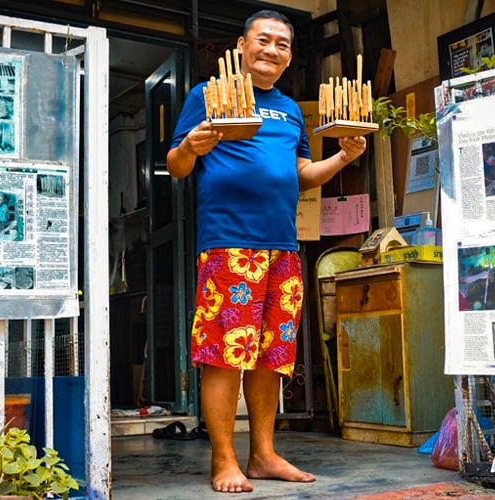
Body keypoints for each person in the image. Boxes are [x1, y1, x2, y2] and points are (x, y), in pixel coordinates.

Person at [166, 9, 366, 494]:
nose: (271, 50)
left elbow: (302, 173)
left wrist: (343, 157)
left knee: (272, 355)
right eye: (263, 40)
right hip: (229, 244)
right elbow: (176, 166)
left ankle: (263, 454)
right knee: (223, 354)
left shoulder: (291, 111)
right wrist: (192, 144)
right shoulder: (208, 97)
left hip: (282, 247)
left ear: (289, 54)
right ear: (242, 44)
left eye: (281, 43)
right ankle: (223, 459)